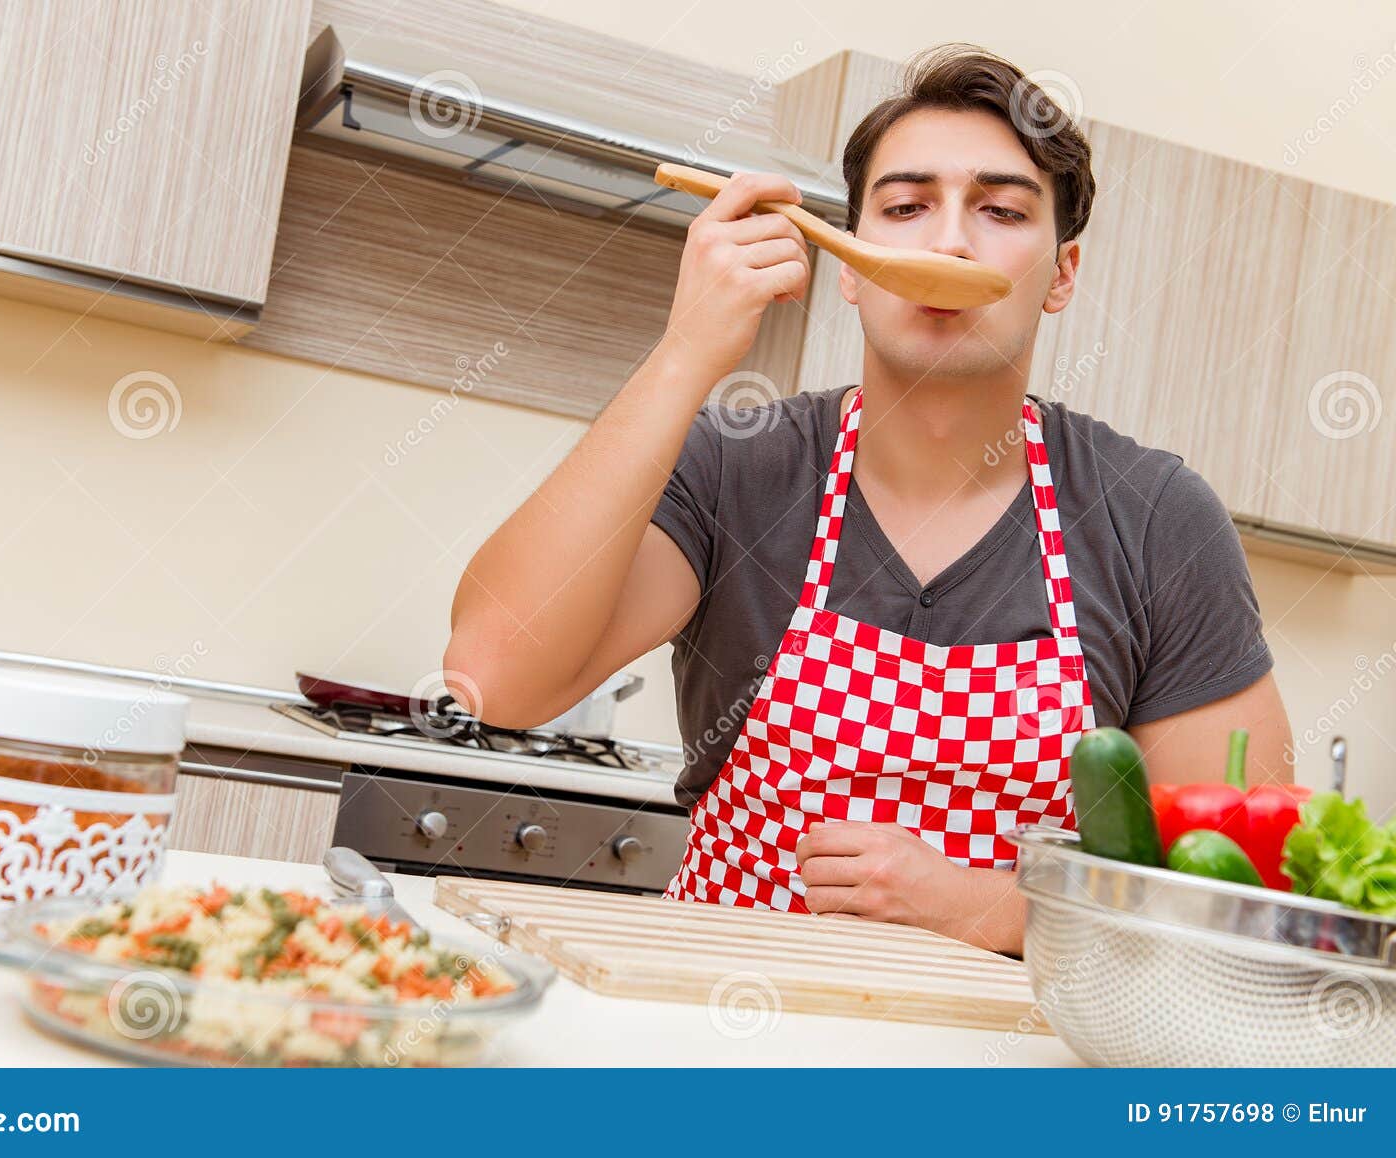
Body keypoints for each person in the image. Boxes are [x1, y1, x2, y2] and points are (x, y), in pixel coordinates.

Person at [443, 44, 1291, 955]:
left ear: (1064, 275)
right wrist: (686, 352)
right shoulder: (742, 468)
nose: (950, 241)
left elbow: (1239, 897)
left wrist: (991, 912)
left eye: (1001, 210)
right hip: (712, 1035)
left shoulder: (1154, 517)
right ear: (850, 265)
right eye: (905, 207)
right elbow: (494, 680)